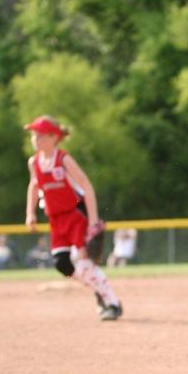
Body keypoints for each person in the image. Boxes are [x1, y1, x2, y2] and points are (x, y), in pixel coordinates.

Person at [23, 115, 123, 321]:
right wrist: (30, 213)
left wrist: (93, 220)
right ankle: (98, 288)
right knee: (62, 264)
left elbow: (86, 187)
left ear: (53, 137)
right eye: (34, 135)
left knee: (86, 266)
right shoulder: (34, 162)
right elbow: (34, 186)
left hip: (77, 215)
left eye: (40, 135)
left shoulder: (63, 159)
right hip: (56, 220)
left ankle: (113, 303)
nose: (35, 139)